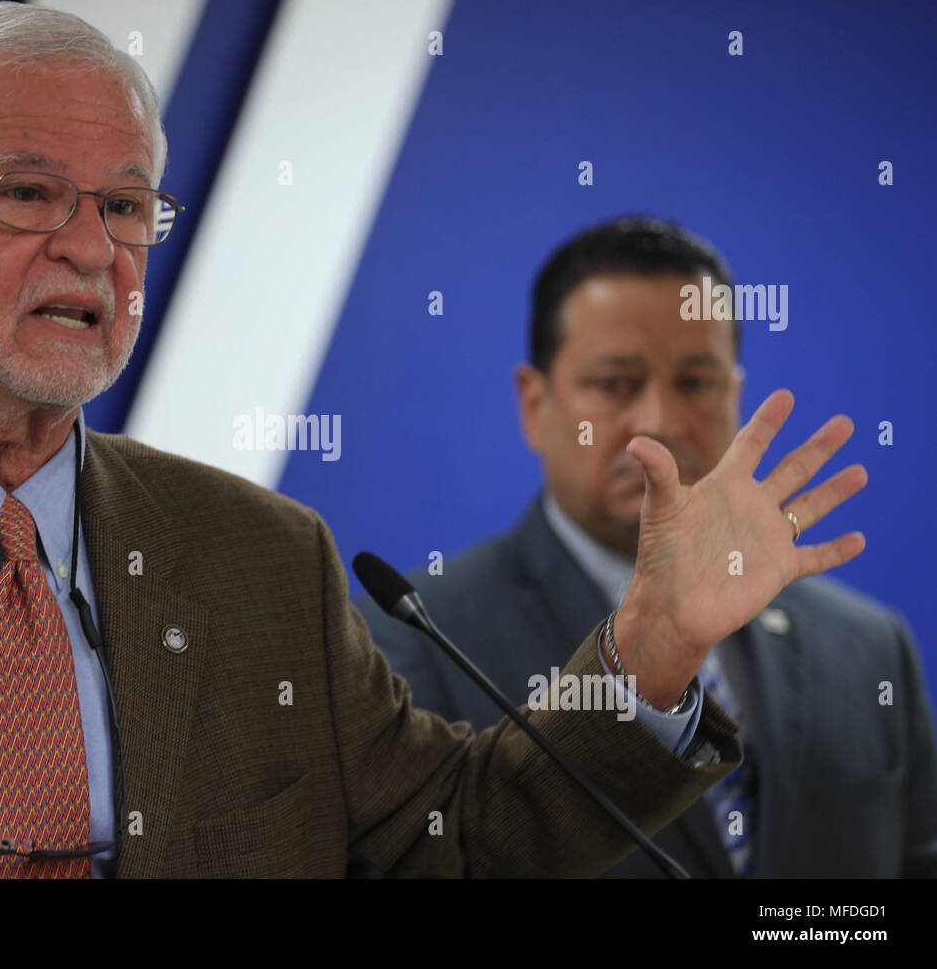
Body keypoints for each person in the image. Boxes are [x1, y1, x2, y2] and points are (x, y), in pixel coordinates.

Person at [0, 4, 865, 878]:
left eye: (124, 206)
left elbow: (450, 841)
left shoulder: (260, 558)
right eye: (26, 191)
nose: (88, 247)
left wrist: (646, 651)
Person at [358, 217, 937, 877]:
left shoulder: (869, 645)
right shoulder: (411, 642)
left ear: (736, 395)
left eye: (696, 383)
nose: (658, 421)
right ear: (534, 403)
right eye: (614, 384)